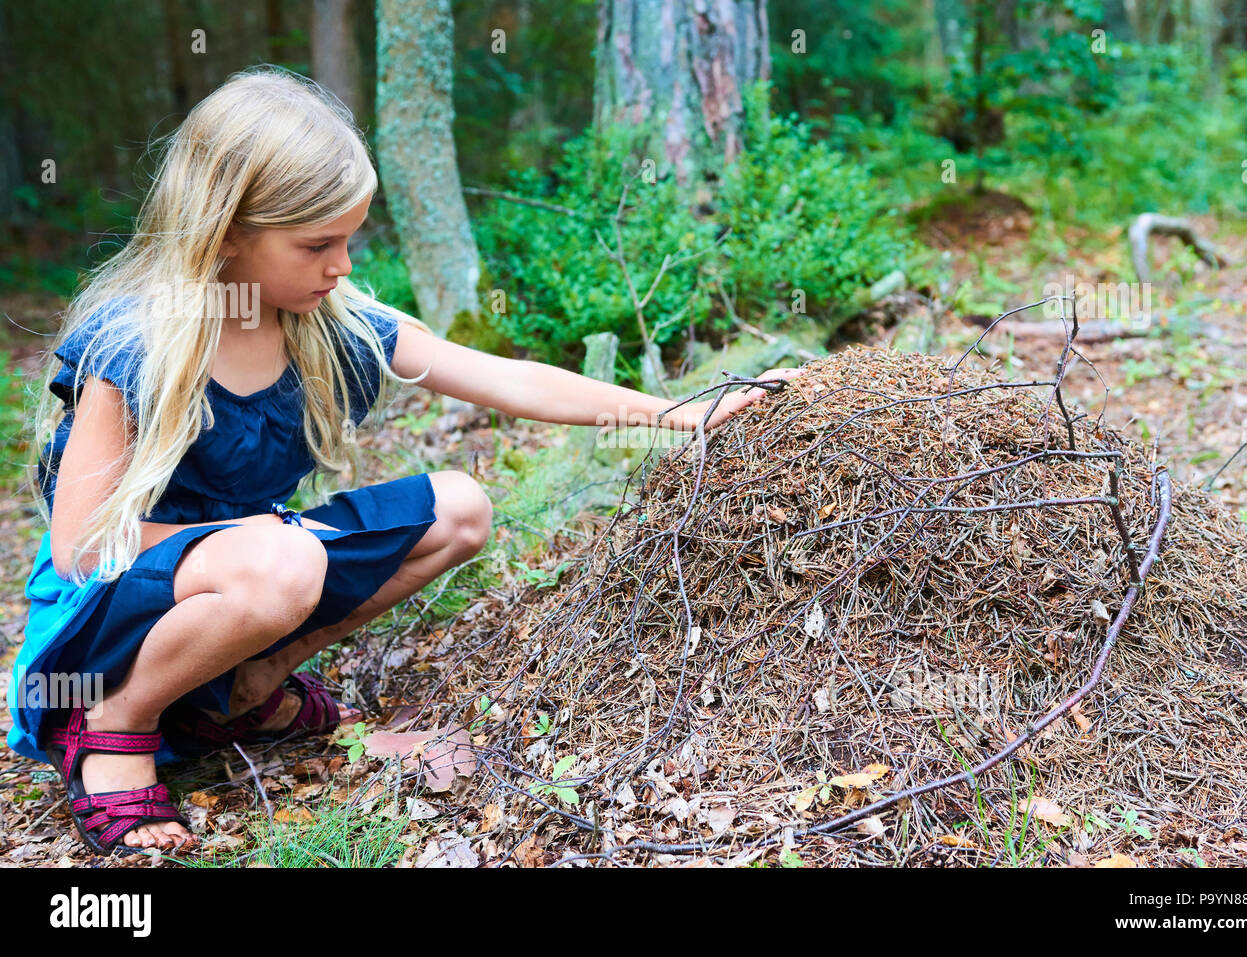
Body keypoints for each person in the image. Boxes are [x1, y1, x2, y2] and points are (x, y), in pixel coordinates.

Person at [5, 65, 799, 856]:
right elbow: (82, 548)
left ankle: (244, 689)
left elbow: (505, 377)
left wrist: (674, 414)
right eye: (317, 243)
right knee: (283, 559)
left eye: (350, 237)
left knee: (458, 509)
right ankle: (115, 726)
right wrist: (244, 541)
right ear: (228, 228)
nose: (342, 264)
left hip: (258, 579)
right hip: (106, 623)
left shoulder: (330, 322)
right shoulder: (134, 342)